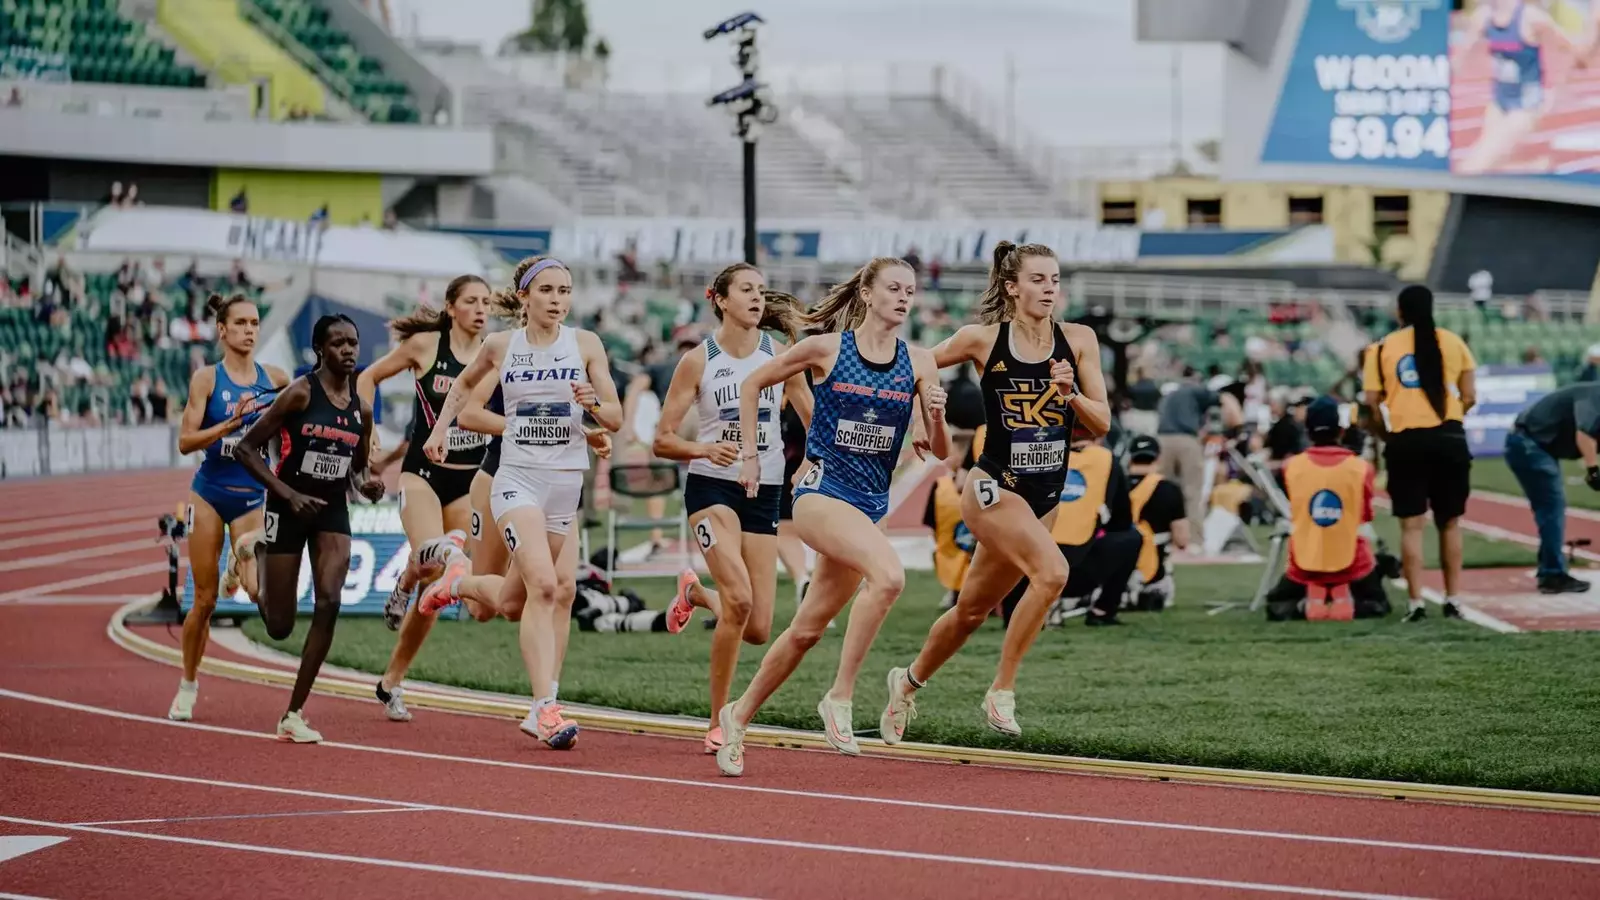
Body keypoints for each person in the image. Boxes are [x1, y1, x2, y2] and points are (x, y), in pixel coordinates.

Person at [712, 257, 949, 777]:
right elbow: (753, 386)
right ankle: (839, 697)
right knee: (888, 578)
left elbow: (938, 447)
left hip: (870, 504)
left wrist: (933, 411)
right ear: (867, 293)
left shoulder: (921, 360)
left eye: (910, 290)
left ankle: (737, 715)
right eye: (893, 288)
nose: (904, 297)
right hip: (820, 493)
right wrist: (752, 454)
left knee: (806, 629)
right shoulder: (827, 349)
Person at [881, 241, 1110, 744]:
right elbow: (916, 363)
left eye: (1054, 279)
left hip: (1044, 494)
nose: (1049, 288)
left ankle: (908, 682)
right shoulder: (982, 340)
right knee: (1053, 573)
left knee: (970, 612)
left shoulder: (1080, 341)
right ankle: (1002, 689)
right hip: (992, 487)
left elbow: (1101, 423)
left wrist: (1070, 394)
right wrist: (925, 410)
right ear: (1012, 287)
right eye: (1037, 279)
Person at [419, 256, 623, 749]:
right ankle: (545, 708)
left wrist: (592, 403)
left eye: (566, 291)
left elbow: (613, 416)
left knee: (513, 602)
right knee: (547, 587)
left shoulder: (587, 345)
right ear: (525, 297)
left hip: (563, 486)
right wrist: (440, 431)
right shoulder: (501, 346)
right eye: (548, 290)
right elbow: (464, 389)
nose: (558, 300)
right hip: (516, 482)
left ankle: (458, 581)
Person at [653, 264, 813, 755]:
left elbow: (810, 414)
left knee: (759, 628)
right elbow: (662, 439)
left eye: (762, 291)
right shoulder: (698, 361)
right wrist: (704, 450)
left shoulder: (779, 356)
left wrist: (812, 461)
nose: (757, 298)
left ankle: (697, 595)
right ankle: (719, 720)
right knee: (739, 600)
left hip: (762, 493)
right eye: (746, 290)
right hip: (711, 491)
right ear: (718, 298)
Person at [233, 314, 384, 742]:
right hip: (286, 506)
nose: (349, 350)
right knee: (279, 625)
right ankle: (254, 554)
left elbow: (356, 473)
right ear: (320, 350)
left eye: (353, 342)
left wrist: (367, 484)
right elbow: (247, 450)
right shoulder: (299, 395)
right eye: (338, 343)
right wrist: (288, 494)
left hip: (331, 510)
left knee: (330, 601)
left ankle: (293, 713)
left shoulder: (363, 409)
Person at [359, 275, 493, 722]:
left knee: (443, 584)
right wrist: (369, 429)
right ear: (451, 307)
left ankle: (390, 681)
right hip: (421, 474)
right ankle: (405, 582)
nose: (480, 309)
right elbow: (368, 377)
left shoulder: (499, 353)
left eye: (486, 302)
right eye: (471, 301)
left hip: (467, 481)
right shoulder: (424, 346)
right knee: (434, 560)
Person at [168, 293, 290, 722]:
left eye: (254, 323)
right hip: (208, 492)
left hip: (252, 496)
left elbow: (296, 429)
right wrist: (228, 426)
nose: (249, 330)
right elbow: (186, 442)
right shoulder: (206, 379)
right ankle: (187, 683)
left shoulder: (275, 379)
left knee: (259, 592)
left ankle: (239, 566)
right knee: (203, 602)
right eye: (240, 323)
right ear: (222, 330)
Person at [1363, 284, 1477, 622]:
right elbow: (1469, 395)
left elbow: (1371, 403)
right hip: (1449, 438)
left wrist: (1389, 434)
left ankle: (1416, 604)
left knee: (1412, 526)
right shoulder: (1454, 342)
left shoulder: (1381, 348)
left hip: (1406, 441)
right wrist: (1450, 422)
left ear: (1400, 311)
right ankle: (1453, 599)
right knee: (1450, 523)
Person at [1265, 397, 1390, 621]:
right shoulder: (1362, 468)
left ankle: (1308, 604)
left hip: (1305, 562)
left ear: (1308, 432)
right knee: (1377, 604)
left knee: (1277, 604)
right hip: (1352, 562)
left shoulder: (1291, 467)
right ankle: (1345, 602)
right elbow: (1365, 516)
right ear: (1340, 430)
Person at [1452, 0, 1581, 175]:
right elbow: (1462, 54)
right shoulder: (1483, 16)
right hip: (1499, 103)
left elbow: (1571, 49)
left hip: (1526, 106)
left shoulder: (1532, 18)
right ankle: (1534, 168)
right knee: (1489, 170)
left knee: (1471, 168)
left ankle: (1534, 169)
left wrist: (1557, 89)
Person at [1503, 381, 1600, 593]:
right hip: (1529, 443)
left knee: (1550, 507)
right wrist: (1593, 471)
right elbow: (1585, 433)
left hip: (1534, 444)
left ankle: (1550, 570)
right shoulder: (1596, 395)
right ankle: (1552, 575)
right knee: (1552, 507)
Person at [1157, 367, 1244, 527]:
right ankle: (1194, 540)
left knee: (1164, 490)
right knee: (1192, 492)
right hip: (1186, 440)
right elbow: (1230, 407)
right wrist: (1236, 428)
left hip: (1162, 440)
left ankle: (1164, 535)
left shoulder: (1172, 395)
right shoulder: (1199, 391)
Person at [1125, 434, 1189, 611]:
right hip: (1154, 574)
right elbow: (1181, 540)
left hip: (1112, 575)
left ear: (1131, 458)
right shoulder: (1169, 489)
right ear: (1158, 458)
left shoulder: (1114, 483)